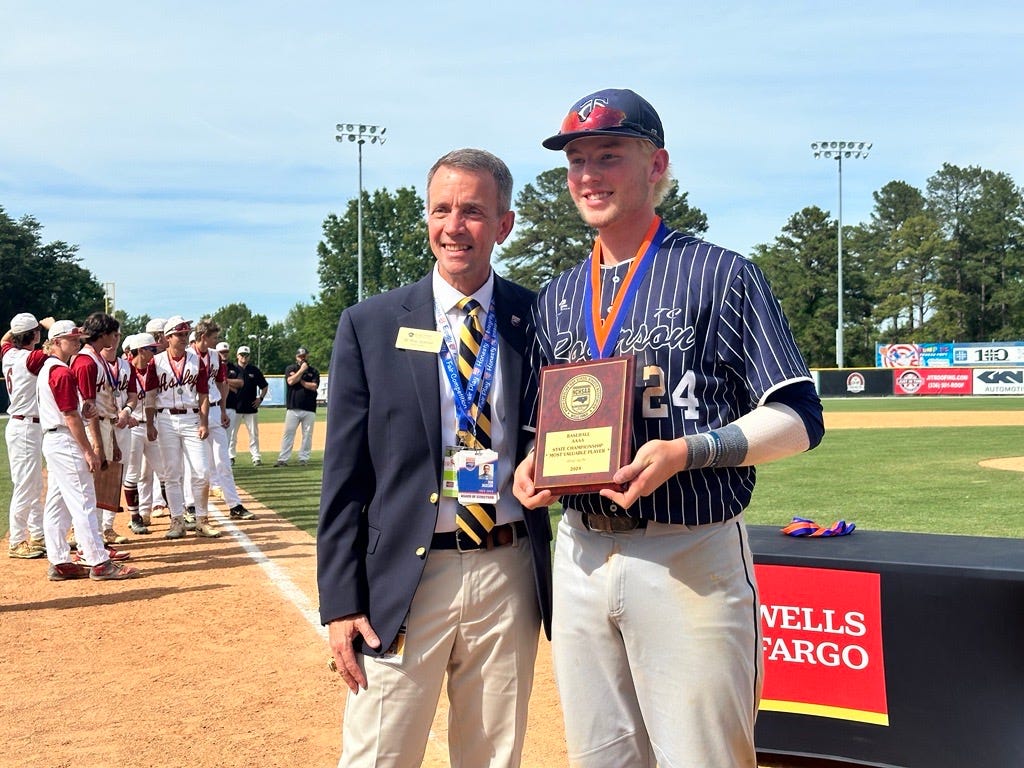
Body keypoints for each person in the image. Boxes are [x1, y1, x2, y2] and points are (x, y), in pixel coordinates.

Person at [513, 89, 825, 768]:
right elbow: (553, 424)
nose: (589, 174)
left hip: (689, 554)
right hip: (581, 552)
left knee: (703, 757)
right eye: (577, 161)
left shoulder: (722, 275)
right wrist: (534, 463)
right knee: (603, 758)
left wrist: (691, 451)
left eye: (609, 156)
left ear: (656, 166)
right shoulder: (559, 295)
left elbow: (799, 419)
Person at [318, 148, 553, 768]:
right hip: (402, 576)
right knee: (379, 753)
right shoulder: (369, 324)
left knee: (491, 755)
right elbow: (344, 475)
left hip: (507, 568)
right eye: (442, 209)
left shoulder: (539, 318)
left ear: (503, 224)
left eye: (473, 211)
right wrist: (341, 602)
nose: (455, 225)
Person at [37, 320, 138, 581]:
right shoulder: (60, 371)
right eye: (70, 339)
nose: (77, 341)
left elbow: (72, 411)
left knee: (57, 502)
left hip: (55, 438)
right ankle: (98, 562)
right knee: (84, 500)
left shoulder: (52, 367)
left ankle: (59, 560)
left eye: (77, 337)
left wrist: (85, 412)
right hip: (65, 439)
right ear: (56, 342)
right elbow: (70, 416)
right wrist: (89, 450)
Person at [146, 316, 221, 539]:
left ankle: (202, 520)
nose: (183, 337)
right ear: (168, 337)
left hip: (191, 418)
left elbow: (204, 394)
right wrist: (150, 423)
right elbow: (150, 396)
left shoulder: (196, 360)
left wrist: (204, 421)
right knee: (172, 473)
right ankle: (176, 520)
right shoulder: (156, 362)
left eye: (186, 334)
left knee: (202, 470)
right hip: (166, 418)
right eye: (179, 334)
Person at [2, 312, 53, 558]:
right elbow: (56, 346)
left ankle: (37, 534)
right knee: (26, 485)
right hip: (26, 427)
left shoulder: (9, 353)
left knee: (30, 483)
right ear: (33, 335)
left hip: (24, 425)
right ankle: (18, 540)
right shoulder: (29, 359)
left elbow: (4, 340)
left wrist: (23, 328)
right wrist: (50, 326)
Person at [274, 346, 319, 467]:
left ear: (307, 356)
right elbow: (290, 381)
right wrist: (301, 371)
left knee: (307, 435)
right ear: (296, 357)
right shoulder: (291, 368)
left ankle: (303, 458)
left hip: (309, 408)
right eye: (300, 356)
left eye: (304, 356)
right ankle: (283, 458)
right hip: (293, 407)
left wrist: (301, 381)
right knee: (288, 433)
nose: (302, 358)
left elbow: (313, 386)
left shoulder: (313, 371)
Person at [229, 345, 267, 465]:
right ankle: (231, 456)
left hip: (251, 407)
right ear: (237, 356)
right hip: (236, 406)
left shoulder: (254, 370)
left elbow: (264, 386)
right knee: (232, 434)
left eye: (246, 355)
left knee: (253, 434)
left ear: (249, 356)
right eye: (241, 355)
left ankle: (256, 457)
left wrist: (260, 398)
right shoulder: (232, 369)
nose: (244, 357)